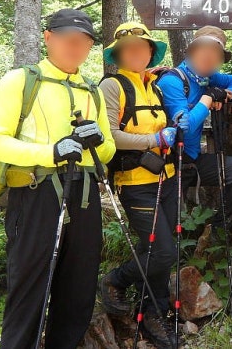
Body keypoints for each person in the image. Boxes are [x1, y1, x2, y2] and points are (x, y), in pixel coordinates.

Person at [0, 9, 116, 348]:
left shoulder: (92, 90)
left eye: (84, 42)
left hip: (84, 194)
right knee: (30, 289)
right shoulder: (20, 81)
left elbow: (107, 152)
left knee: (78, 288)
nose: (76, 47)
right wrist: (50, 152)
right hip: (35, 192)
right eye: (68, 39)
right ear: (48, 38)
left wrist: (99, 140)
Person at [97, 22, 177, 346]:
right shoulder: (111, 86)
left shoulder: (154, 86)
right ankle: (115, 280)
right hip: (135, 182)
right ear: (117, 55)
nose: (135, 52)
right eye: (128, 48)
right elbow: (110, 135)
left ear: (150, 52)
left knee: (154, 249)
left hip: (166, 178)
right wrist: (154, 140)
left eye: (141, 47)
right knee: (163, 252)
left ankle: (153, 313)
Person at [157, 25, 232, 233]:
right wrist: (208, 99)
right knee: (167, 233)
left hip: (192, 161)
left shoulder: (207, 78)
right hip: (170, 164)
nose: (209, 58)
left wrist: (227, 94)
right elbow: (185, 128)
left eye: (215, 54)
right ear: (191, 52)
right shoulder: (173, 81)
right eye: (203, 50)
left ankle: (216, 231)